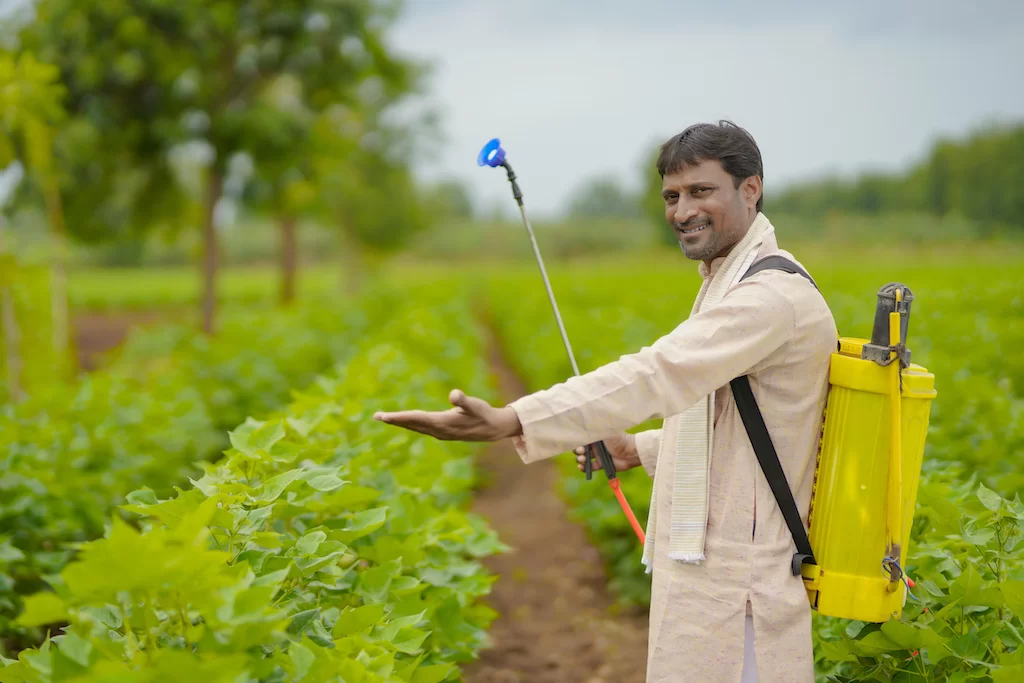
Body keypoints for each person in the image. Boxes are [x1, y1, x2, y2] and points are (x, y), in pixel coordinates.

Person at [374, 120, 838, 683]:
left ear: (750, 188)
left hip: (741, 592)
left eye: (700, 191)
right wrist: (636, 448)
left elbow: (658, 373)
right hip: (718, 578)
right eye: (672, 195)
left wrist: (514, 418)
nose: (682, 210)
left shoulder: (768, 297)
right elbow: (738, 430)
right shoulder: (730, 281)